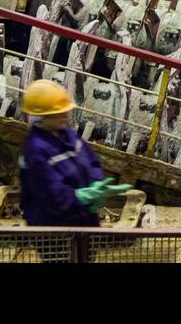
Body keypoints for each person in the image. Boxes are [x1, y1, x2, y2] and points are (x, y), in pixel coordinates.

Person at [18, 79, 130, 227]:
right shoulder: (36, 150)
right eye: (58, 112)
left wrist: (96, 183)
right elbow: (50, 195)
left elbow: (91, 160)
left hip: (83, 219)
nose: (65, 114)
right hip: (54, 230)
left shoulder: (67, 135)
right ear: (42, 116)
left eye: (65, 110)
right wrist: (80, 197)